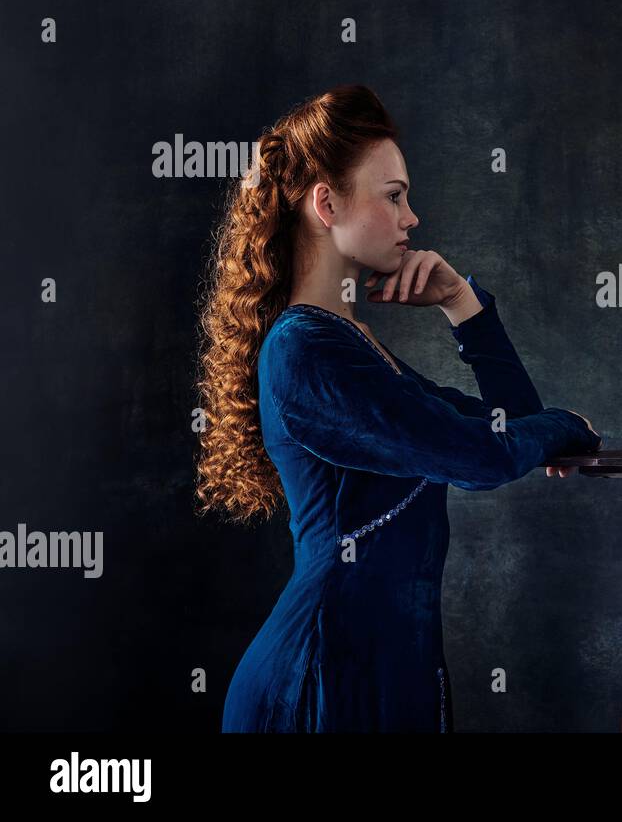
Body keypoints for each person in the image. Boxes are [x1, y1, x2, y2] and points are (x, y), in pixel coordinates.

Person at [194, 84, 599, 731]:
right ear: (326, 203)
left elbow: (506, 425)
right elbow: (487, 456)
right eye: (394, 196)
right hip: (320, 679)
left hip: (385, 670)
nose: (412, 218)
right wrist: (569, 426)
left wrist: (462, 305)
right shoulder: (305, 350)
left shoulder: (354, 349)